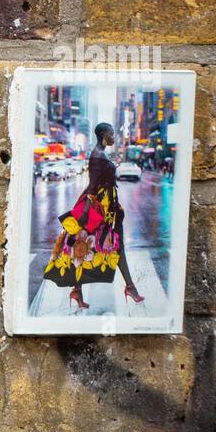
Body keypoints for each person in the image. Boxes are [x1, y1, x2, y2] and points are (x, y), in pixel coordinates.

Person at [43, 122, 144, 309]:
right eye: (112, 133)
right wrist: (85, 214)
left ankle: (78, 291)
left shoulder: (101, 153)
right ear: (104, 135)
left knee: (93, 246)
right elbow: (92, 185)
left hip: (108, 207)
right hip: (101, 210)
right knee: (106, 245)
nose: (114, 137)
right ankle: (129, 287)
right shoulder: (97, 156)